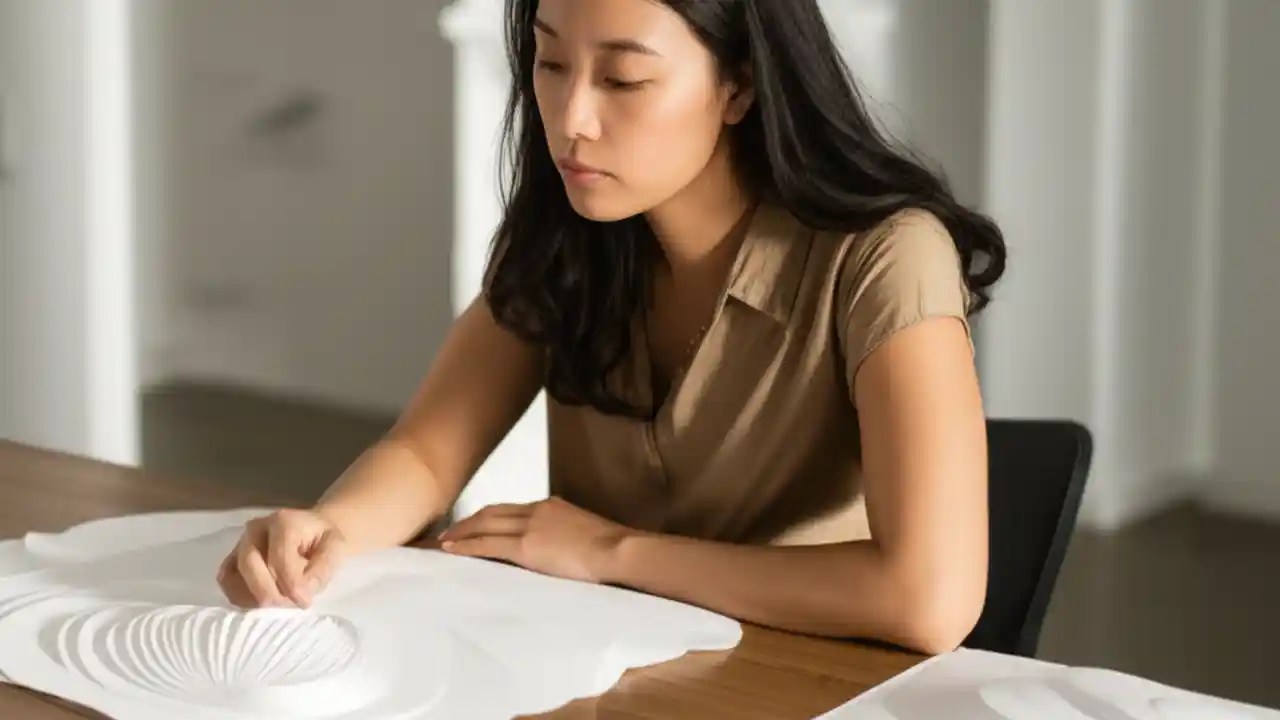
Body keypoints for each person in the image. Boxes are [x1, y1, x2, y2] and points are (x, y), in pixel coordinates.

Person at [217, 0, 1006, 655]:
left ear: (739, 85)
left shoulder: (883, 257)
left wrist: (608, 552)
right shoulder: (569, 229)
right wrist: (330, 531)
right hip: (599, 668)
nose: (571, 119)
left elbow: (928, 598)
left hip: (801, 680)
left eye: (624, 78)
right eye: (550, 63)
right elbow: (427, 450)